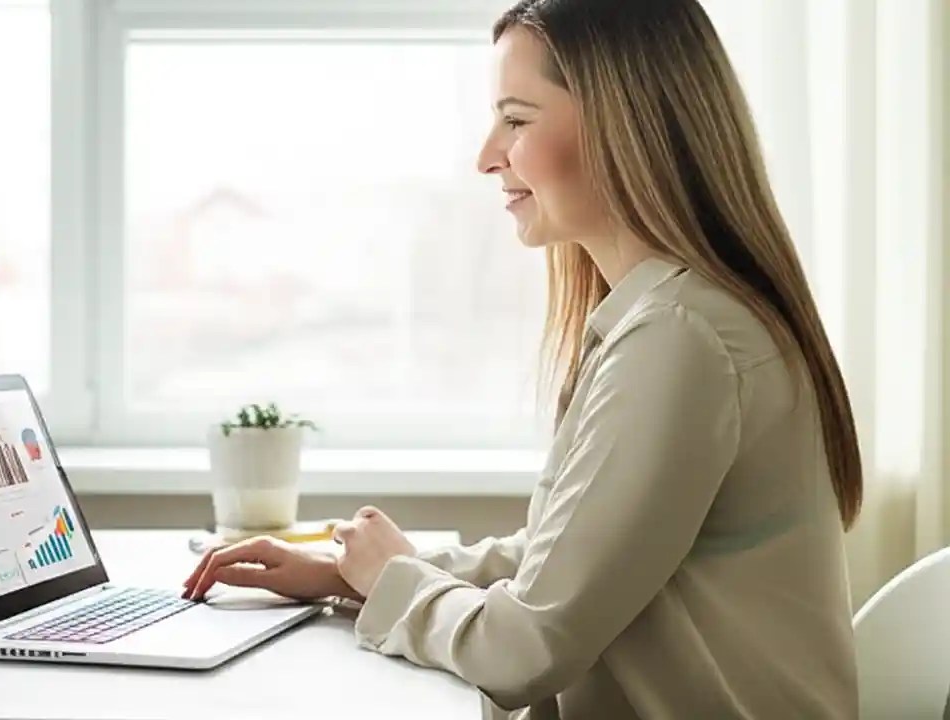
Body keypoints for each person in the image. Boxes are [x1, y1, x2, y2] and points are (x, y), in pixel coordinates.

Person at [182, 0, 862, 717]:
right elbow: (555, 562)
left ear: (623, 122)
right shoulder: (670, 318)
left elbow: (526, 650)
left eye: (516, 118)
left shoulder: (680, 339)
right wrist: (351, 575)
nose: (486, 155)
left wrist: (394, 583)